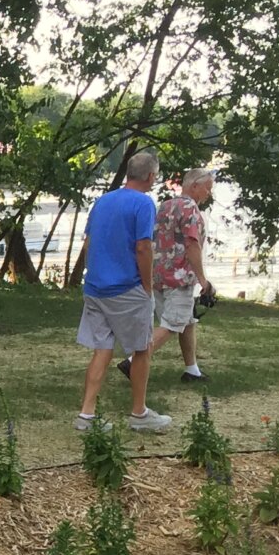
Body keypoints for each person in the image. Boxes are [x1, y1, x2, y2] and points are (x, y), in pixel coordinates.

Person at [72, 150, 171, 434]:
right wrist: (147, 286)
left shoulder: (103, 201)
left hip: (95, 287)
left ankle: (86, 415)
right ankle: (139, 413)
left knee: (102, 348)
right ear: (151, 176)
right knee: (142, 348)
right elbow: (143, 247)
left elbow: (89, 241)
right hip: (126, 288)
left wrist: (96, 272)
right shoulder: (143, 204)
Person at [136, 166, 216, 385]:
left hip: (158, 272)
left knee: (186, 321)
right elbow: (192, 245)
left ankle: (192, 370)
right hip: (180, 276)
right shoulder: (192, 210)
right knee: (172, 323)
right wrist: (203, 280)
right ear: (194, 185)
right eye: (207, 189)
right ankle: (134, 360)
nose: (209, 194)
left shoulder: (166, 206)